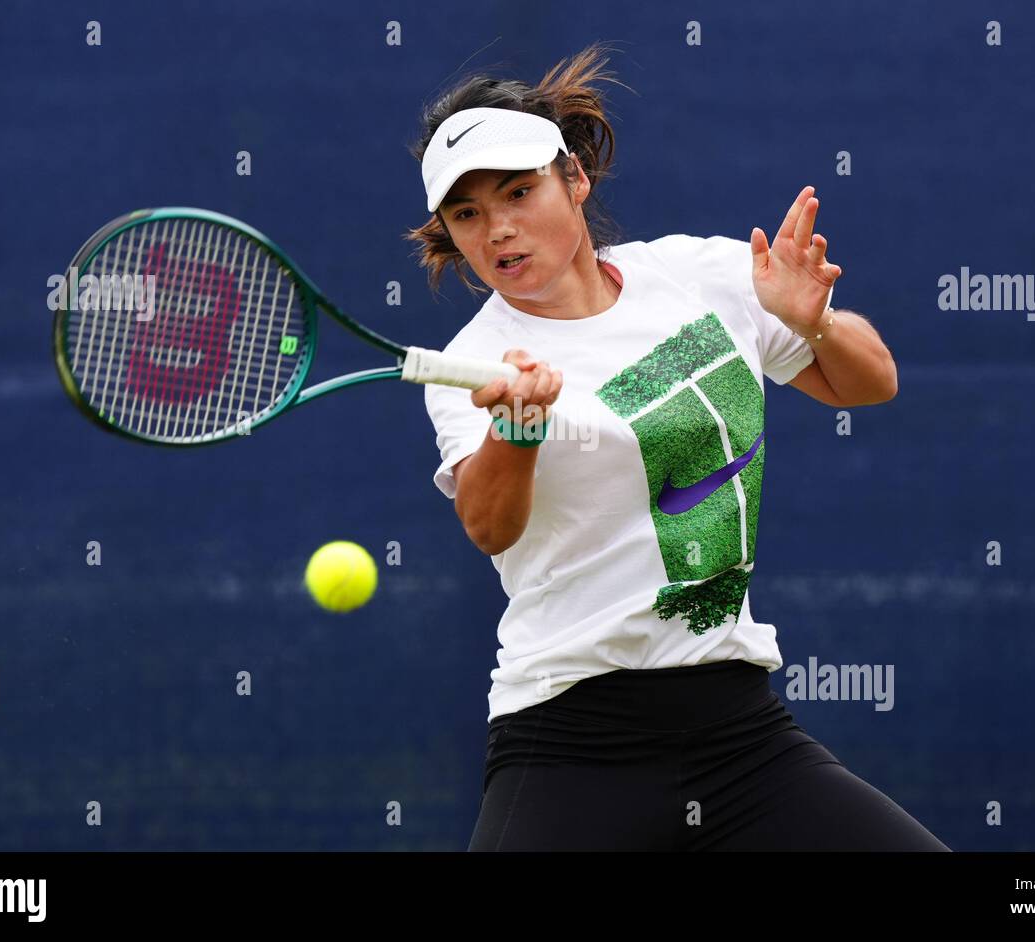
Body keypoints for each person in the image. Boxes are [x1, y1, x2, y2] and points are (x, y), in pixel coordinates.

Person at [406, 44, 948, 851]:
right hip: (568, 745)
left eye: (520, 192)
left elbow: (871, 383)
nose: (501, 229)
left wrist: (814, 322)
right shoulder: (469, 366)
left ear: (575, 181)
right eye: (468, 215)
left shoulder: (706, 276)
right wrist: (516, 431)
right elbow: (490, 527)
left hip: (742, 737)